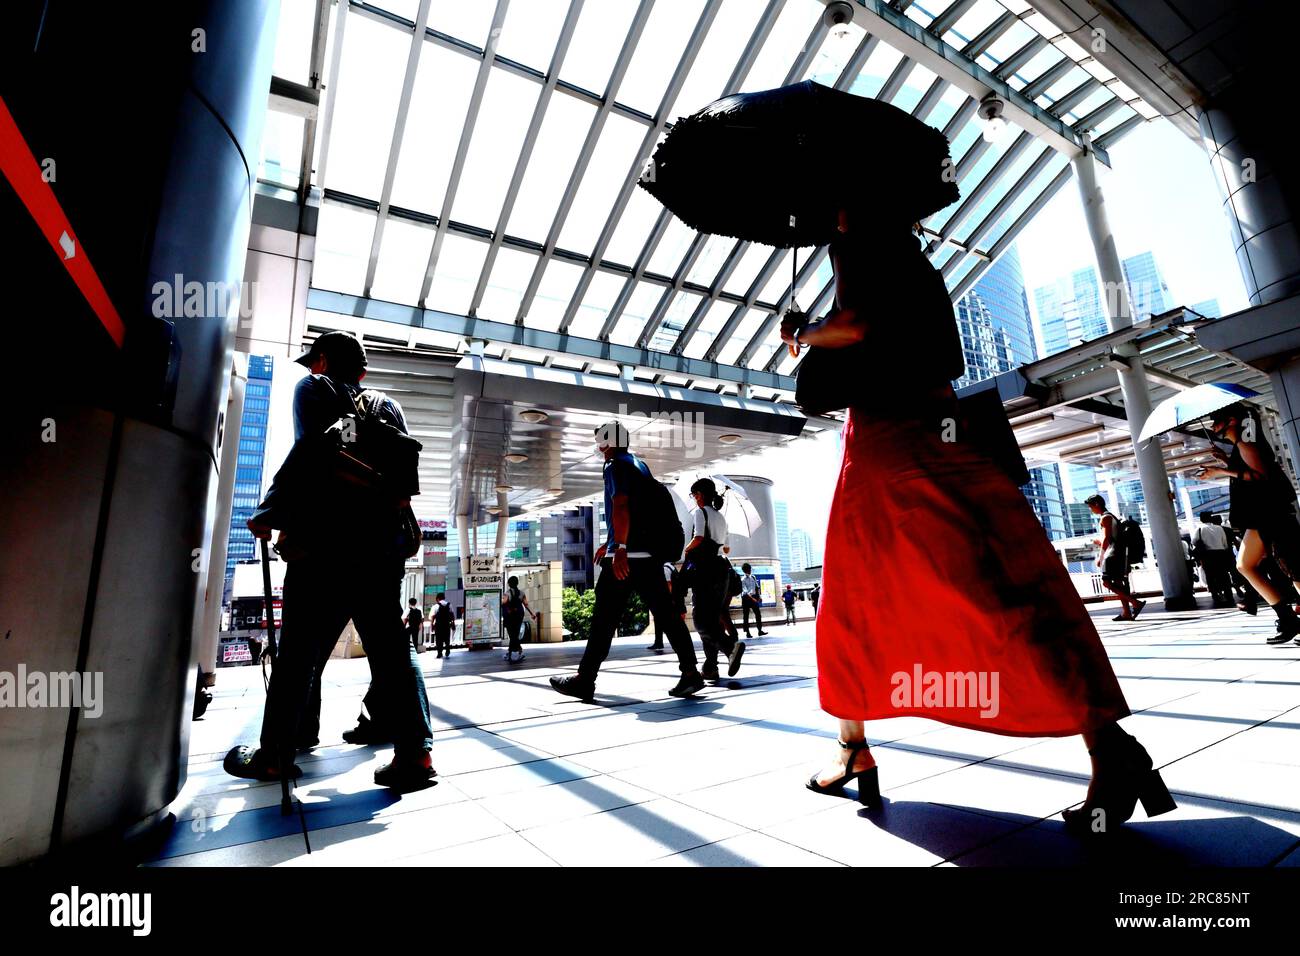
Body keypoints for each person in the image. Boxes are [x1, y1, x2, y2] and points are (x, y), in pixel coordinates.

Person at [780, 210, 1172, 834]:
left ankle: (1108, 745)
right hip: (928, 429)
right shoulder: (911, 257)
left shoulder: (858, 243)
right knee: (981, 588)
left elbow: (854, 325)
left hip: (894, 440)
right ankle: (854, 743)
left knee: (889, 598)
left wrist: (804, 331)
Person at [227, 331, 435, 790]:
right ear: (361, 370)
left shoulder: (314, 388)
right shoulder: (387, 406)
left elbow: (314, 452)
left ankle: (276, 756)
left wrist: (271, 512)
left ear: (321, 360)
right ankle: (416, 755)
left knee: (299, 649)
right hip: (381, 547)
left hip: (327, 544)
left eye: (312, 362)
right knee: (392, 647)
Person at [550, 423, 706, 701]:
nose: (598, 444)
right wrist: (610, 541)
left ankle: (585, 679)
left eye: (599, 438)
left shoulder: (614, 465)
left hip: (626, 559)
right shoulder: (638, 464)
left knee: (603, 620)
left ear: (607, 442)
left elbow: (621, 504)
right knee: (668, 615)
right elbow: (638, 511)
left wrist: (619, 547)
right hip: (647, 557)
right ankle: (691, 672)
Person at [1197, 403, 1300, 644]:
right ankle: (1287, 619)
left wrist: (1220, 472)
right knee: (1245, 565)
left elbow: (1259, 476)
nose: (1213, 426)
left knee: (1295, 570)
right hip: (1261, 518)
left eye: (1216, 420)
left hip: (1272, 516)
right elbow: (1251, 470)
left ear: (1231, 421)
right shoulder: (1240, 446)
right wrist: (1225, 461)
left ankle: (1289, 620)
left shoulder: (1246, 443)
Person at [684, 478, 745, 683]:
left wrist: (687, 549)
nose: (694, 499)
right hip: (722, 570)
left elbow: (699, 538)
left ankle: (730, 649)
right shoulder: (721, 517)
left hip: (706, 571)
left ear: (700, 494)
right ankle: (710, 668)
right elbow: (725, 548)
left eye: (694, 495)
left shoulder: (699, 513)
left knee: (701, 619)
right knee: (711, 619)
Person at [1086, 495, 1146, 622]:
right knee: (1118, 583)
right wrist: (1099, 542)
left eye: (1091, 506)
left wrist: (1101, 557)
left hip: (1113, 555)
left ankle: (1135, 603)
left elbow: (1107, 539)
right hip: (1119, 554)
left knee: (1106, 582)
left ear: (1097, 504)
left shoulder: (1105, 517)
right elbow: (1111, 537)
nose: (1090, 509)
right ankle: (1126, 612)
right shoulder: (1111, 516)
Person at [1192, 512, 1234, 608]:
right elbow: (1225, 543)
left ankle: (1215, 595)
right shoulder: (1219, 528)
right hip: (1220, 553)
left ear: (1201, 519)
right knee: (1224, 574)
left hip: (1208, 555)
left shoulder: (1199, 529)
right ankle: (1228, 593)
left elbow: (1194, 541)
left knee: (1210, 575)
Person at [647, 562, 683, 652]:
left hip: (669, 600)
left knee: (663, 620)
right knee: (660, 620)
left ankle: (661, 642)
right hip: (674, 599)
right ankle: (659, 641)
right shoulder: (671, 567)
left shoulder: (665, 568)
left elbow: (668, 585)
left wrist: (667, 600)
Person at [502, 576, 535, 663]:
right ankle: (513, 652)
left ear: (509, 584)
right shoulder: (521, 593)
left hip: (510, 617)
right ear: (517, 583)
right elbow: (526, 604)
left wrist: (507, 608)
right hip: (519, 616)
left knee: (512, 635)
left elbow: (503, 603)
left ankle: (513, 653)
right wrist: (532, 613)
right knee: (515, 634)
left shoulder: (507, 593)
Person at [739, 563, 768, 637]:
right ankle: (747, 632)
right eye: (749, 569)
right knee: (746, 616)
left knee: (758, 614)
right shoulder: (742, 580)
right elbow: (745, 592)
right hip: (746, 598)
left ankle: (760, 630)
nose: (750, 570)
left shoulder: (753, 577)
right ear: (745, 570)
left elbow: (757, 587)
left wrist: (759, 597)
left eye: (750, 569)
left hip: (753, 597)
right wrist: (753, 599)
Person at [432, 592, 455, 658]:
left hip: (438, 625)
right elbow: (452, 615)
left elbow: (433, 617)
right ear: (444, 597)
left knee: (439, 639)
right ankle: (447, 650)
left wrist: (432, 626)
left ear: (437, 598)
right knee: (447, 639)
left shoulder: (436, 606)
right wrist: (453, 624)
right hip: (447, 625)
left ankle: (439, 653)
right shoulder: (449, 605)